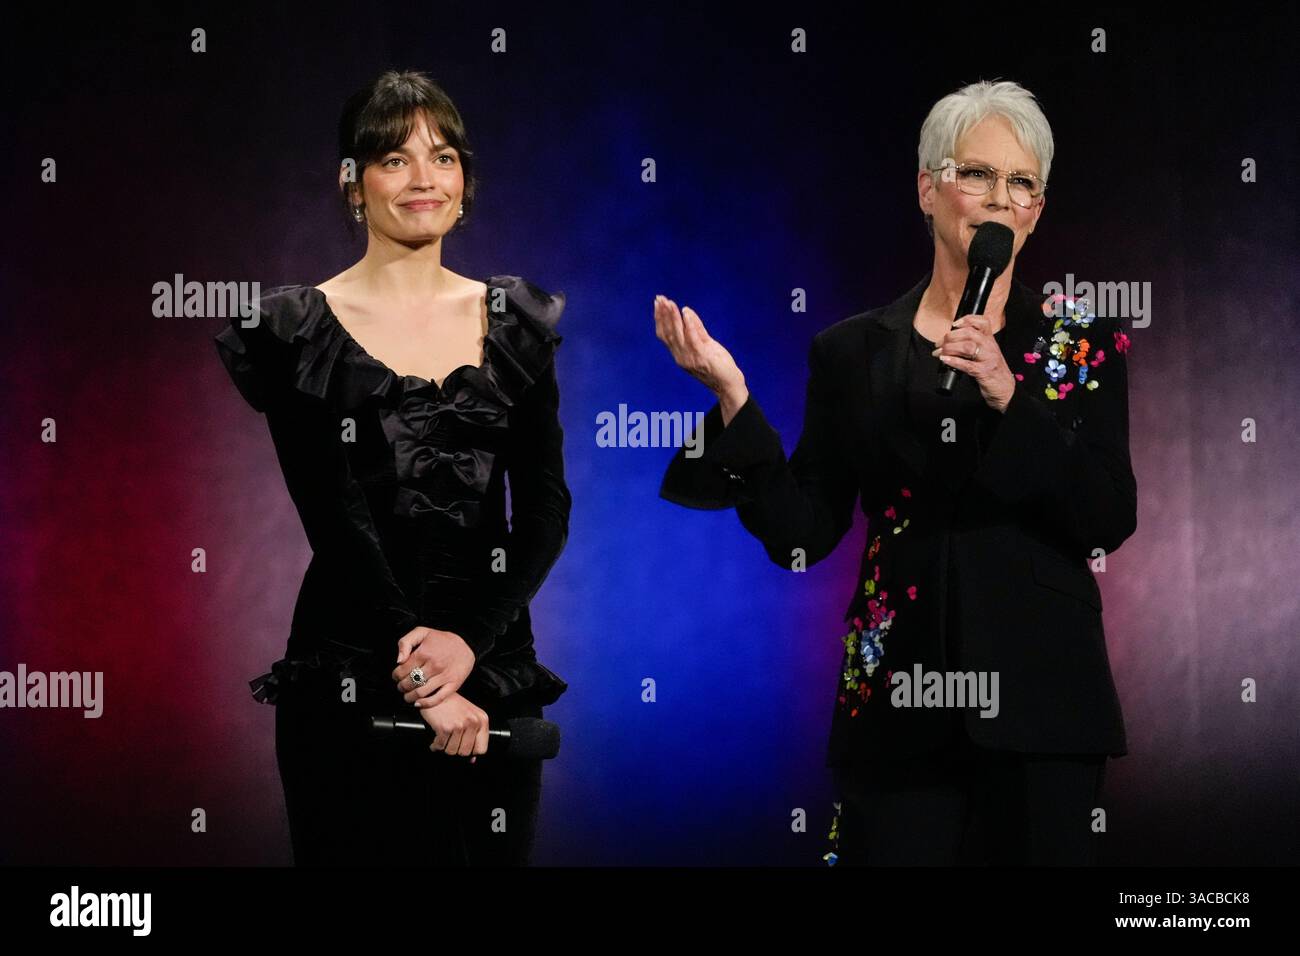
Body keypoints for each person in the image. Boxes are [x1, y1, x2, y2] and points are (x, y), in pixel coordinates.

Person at [655, 79, 1136, 866]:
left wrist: (1010, 396)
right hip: (896, 704)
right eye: (975, 173)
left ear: (1037, 210)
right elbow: (804, 532)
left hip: (1044, 706)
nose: (998, 199)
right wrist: (734, 401)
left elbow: (1107, 513)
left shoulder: (1078, 342)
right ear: (928, 187)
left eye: (1021, 184)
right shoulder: (852, 351)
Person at [213, 70, 571, 866]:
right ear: (353, 182)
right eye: (395, 159)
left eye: (442, 158)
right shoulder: (294, 326)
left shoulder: (515, 322)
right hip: (353, 661)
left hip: (489, 672)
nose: (423, 179)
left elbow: (545, 512)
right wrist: (420, 675)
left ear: (465, 183)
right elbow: (333, 513)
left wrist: (466, 651)